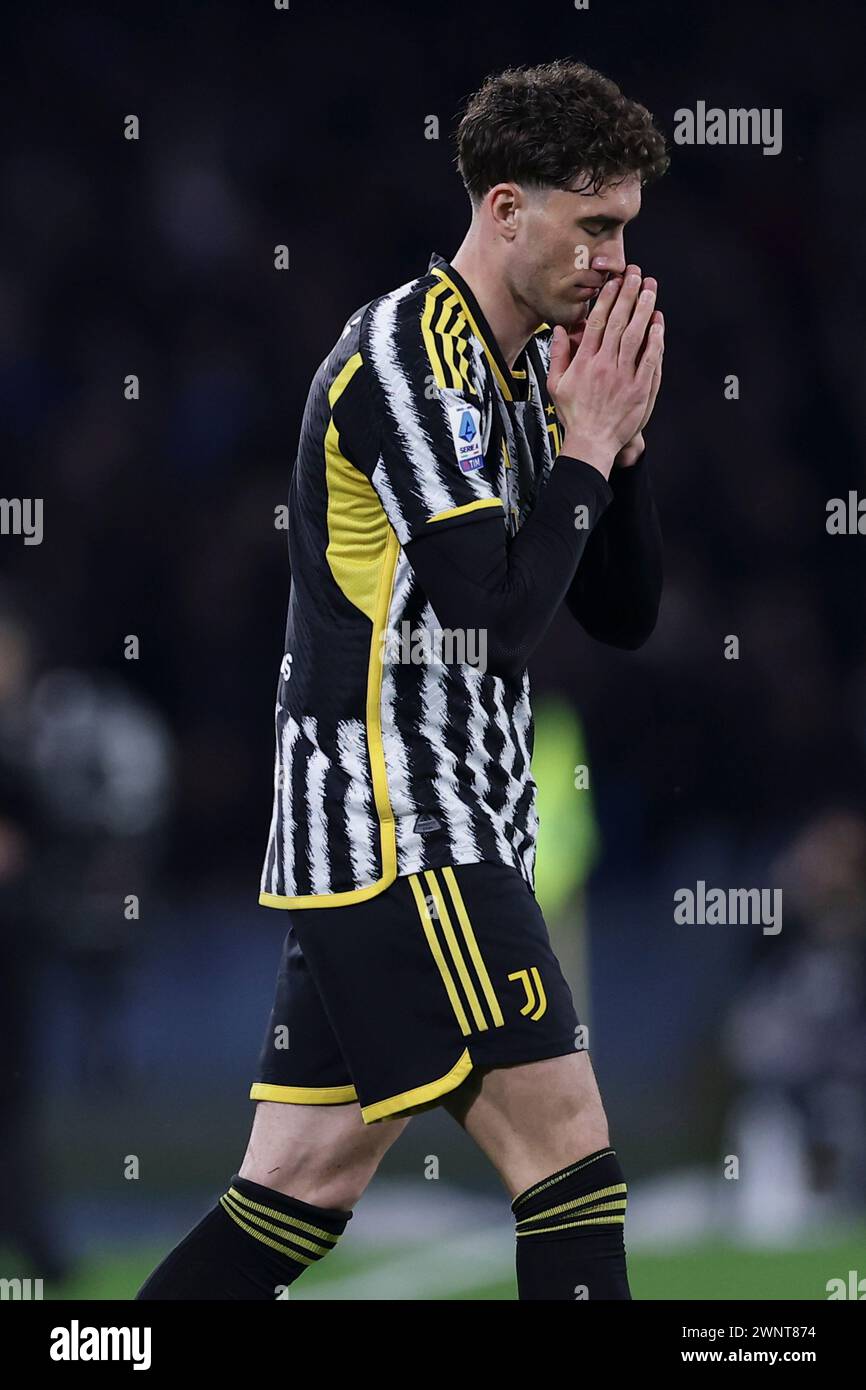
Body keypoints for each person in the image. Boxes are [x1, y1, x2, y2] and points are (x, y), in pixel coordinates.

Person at [138, 56, 666, 1302]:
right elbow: (486, 619)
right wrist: (581, 452)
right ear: (502, 210)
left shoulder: (521, 368)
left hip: (414, 830)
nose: (611, 257)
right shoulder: (409, 355)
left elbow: (620, 611)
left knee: (296, 1188)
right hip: (403, 828)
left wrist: (617, 447)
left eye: (625, 231)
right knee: (568, 1163)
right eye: (592, 225)